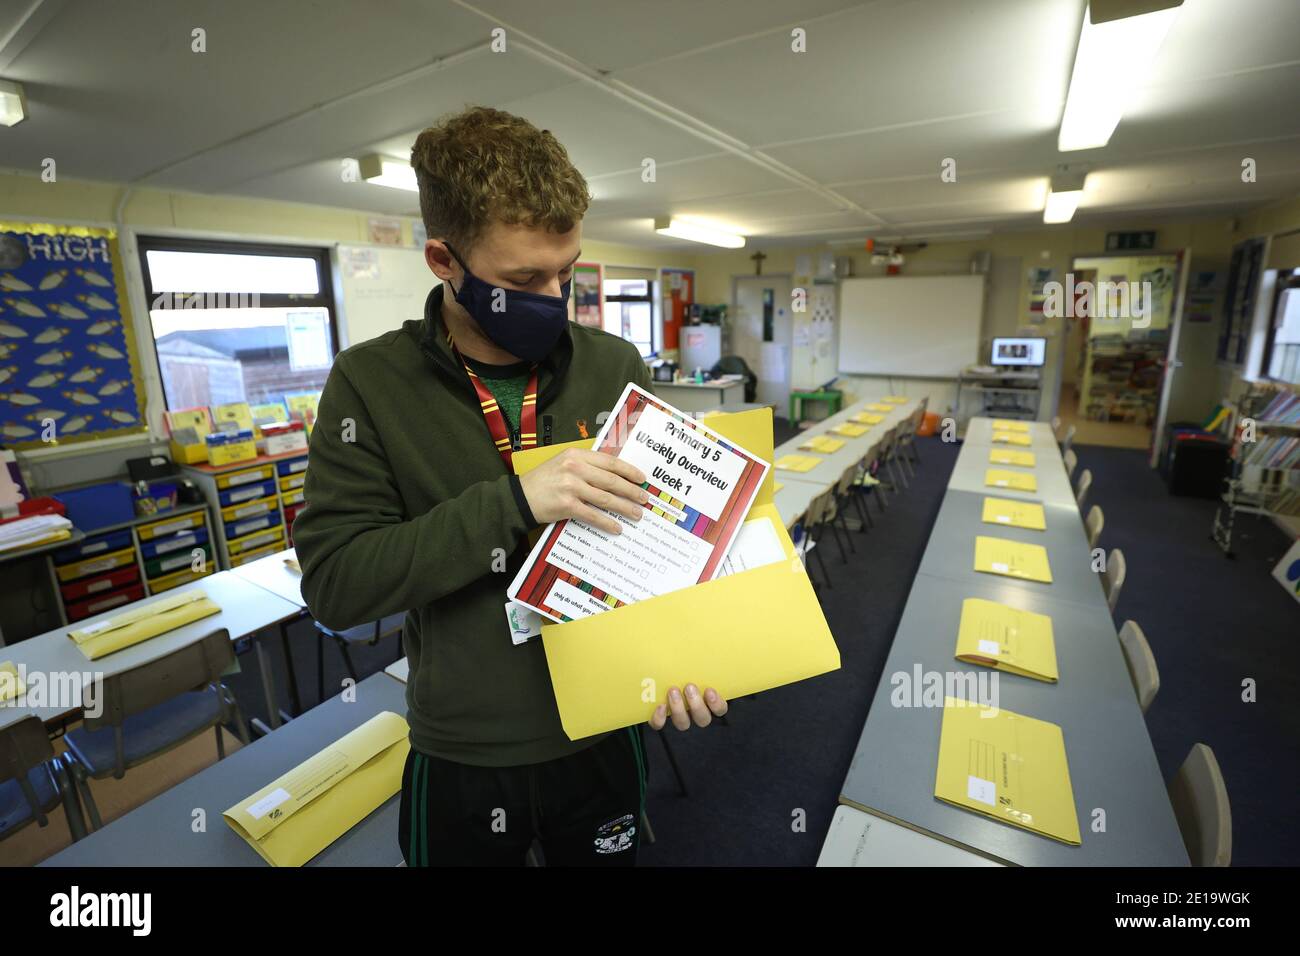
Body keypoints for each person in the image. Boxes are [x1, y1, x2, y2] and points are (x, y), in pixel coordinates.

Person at [294, 106, 727, 867]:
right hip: (465, 747)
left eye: (566, 270)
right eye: (523, 279)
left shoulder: (613, 364)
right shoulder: (368, 383)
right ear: (442, 259)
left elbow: (663, 541)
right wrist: (517, 503)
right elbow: (335, 586)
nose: (554, 296)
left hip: (602, 726)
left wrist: (691, 653)